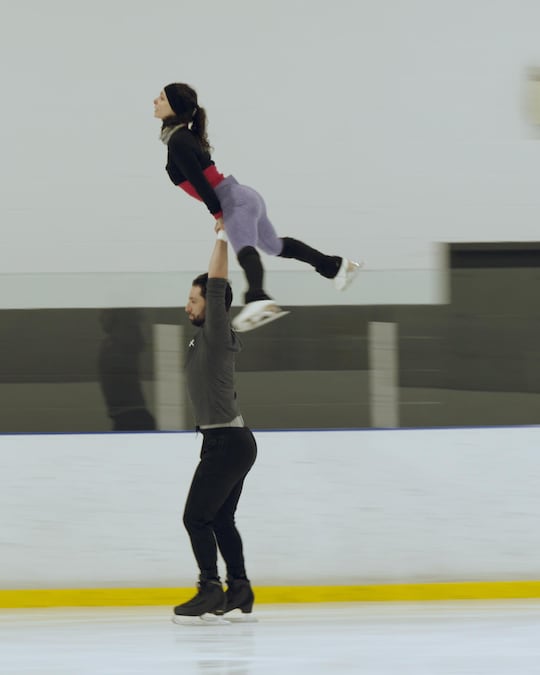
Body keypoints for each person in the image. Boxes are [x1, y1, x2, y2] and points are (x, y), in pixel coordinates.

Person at [154, 82, 361, 332]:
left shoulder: (178, 140)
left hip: (233, 201)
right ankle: (337, 267)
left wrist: (219, 214)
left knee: (246, 249)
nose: (155, 101)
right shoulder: (180, 137)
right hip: (242, 196)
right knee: (274, 246)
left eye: (162, 98)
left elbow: (199, 181)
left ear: (175, 107)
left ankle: (258, 297)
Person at [173, 227, 258, 624]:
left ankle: (210, 588)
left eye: (193, 300)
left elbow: (219, 282)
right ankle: (238, 588)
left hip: (228, 441)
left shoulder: (217, 333)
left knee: (196, 517)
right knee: (220, 518)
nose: (187, 306)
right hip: (227, 440)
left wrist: (222, 235)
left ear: (213, 305)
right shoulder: (205, 341)